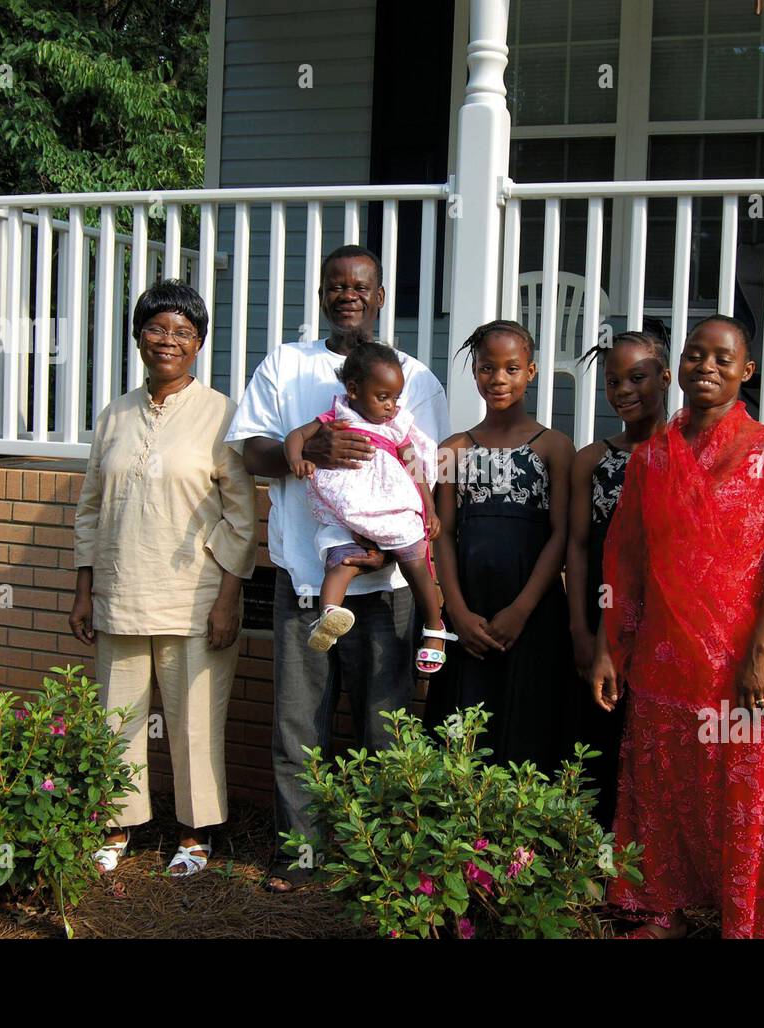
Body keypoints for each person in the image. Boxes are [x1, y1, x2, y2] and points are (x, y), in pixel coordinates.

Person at [591, 314, 764, 938]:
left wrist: (760, 650)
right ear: (679, 368)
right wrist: (612, 648)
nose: (708, 368)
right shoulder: (653, 457)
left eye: (723, 358)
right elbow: (626, 561)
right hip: (665, 662)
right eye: (696, 355)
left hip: (741, 666)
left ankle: (740, 921)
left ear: (746, 371)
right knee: (662, 794)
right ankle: (660, 910)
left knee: (739, 799)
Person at [225, 245, 450, 893]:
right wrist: (308, 443)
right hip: (307, 578)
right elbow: (252, 453)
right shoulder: (287, 364)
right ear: (322, 293)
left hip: (388, 589)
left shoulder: (414, 378)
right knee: (300, 725)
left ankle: (381, 859)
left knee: (384, 726)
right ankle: (301, 853)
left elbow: (425, 470)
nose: (347, 295)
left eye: (361, 286)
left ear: (381, 296)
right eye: (335, 286)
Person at [70, 279, 258, 878]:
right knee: (115, 717)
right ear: (138, 336)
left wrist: (228, 600)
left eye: (182, 331)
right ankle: (116, 825)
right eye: (156, 328)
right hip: (121, 591)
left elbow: (242, 516)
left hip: (196, 599)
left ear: (199, 343)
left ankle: (194, 835)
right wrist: (84, 589)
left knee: (194, 720)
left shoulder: (221, 414)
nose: (167, 340)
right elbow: (91, 508)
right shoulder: (115, 414)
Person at [424, 320, 575, 768]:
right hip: (471, 614)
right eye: (488, 368)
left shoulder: (554, 447)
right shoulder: (453, 449)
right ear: (475, 373)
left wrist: (522, 610)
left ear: (531, 372)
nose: (498, 379)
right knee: (462, 727)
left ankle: (523, 838)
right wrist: (457, 611)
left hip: (534, 612)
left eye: (512, 368)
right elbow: (443, 536)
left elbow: (563, 535)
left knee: (531, 722)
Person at [284, 341, 451, 670]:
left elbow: (415, 465)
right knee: (340, 562)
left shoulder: (395, 425)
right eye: (383, 397)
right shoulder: (336, 416)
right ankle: (329, 616)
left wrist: (429, 508)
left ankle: (434, 626)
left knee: (415, 563)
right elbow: (295, 437)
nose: (391, 406)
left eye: (395, 398)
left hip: (392, 510)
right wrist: (295, 460)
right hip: (345, 511)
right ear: (354, 390)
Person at [565, 330, 671, 828]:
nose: (624, 390)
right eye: (612, 381)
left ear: (665, 378)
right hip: (601, 615)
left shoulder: (684, 456)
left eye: (637, 377)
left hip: (665, 623)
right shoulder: (592, 459)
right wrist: (582, 634)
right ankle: (596, 860)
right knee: (600, 734)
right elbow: (579, 548)